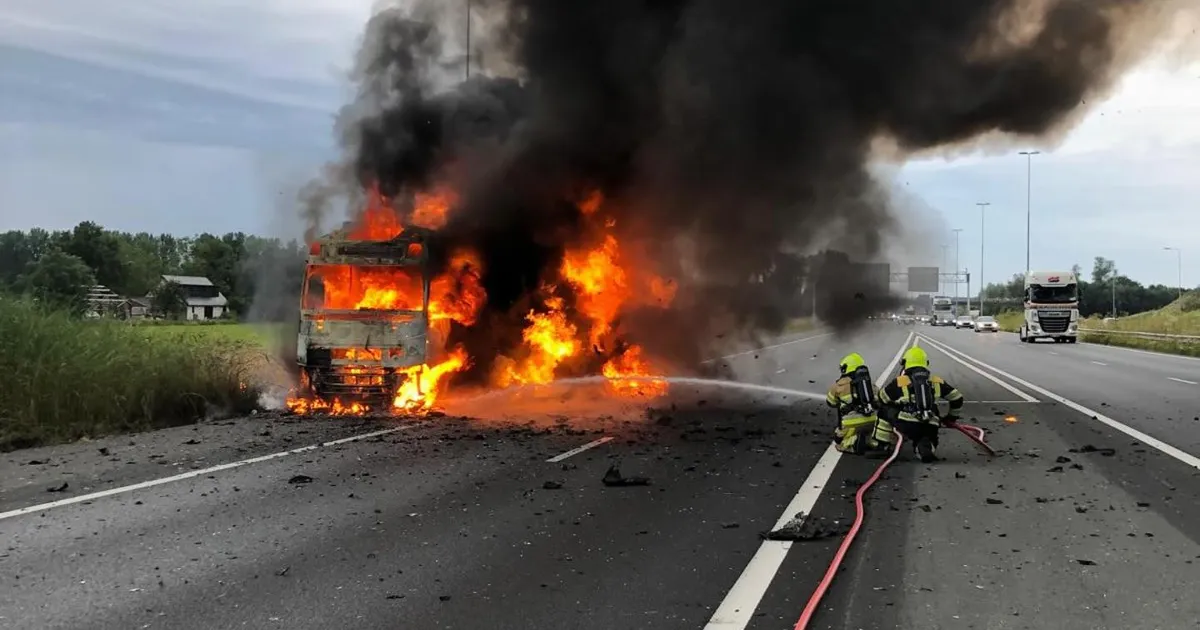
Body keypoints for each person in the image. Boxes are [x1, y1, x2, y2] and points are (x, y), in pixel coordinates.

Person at [878, 346, 965, 463]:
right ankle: (926, 445)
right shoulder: (935, 381)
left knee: (883, 410)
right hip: (931, 423)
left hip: (907, 423)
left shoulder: (900, 381)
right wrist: (951, 418)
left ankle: (882, 445)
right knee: (929, 431)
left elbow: (882, 398)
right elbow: (957, 398)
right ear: (926, 363)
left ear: (905, 363)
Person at [826, 352, 895, 455]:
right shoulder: (869, 384)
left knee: (839, 439)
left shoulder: (838, 385)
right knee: (872, 434)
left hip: (851, 423)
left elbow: (831, 403)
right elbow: (879, 400)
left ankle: (852, 442)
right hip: (872, 419)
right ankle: (874, 443)